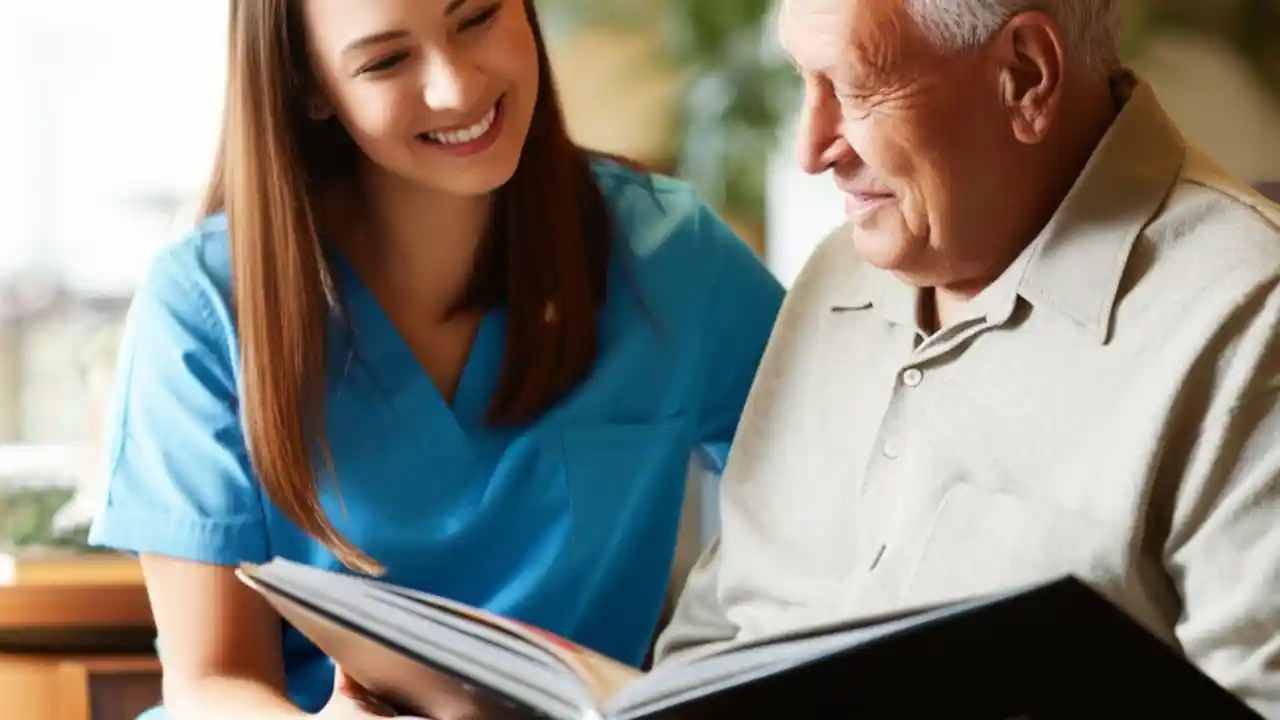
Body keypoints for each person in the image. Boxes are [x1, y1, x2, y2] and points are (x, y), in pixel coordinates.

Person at [87, 0, 784, 717]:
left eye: (477, 16)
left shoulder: (672, 259)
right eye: (387, 60)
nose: (457, 88)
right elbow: (210, 681)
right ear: (310, 85)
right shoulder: (205, 304)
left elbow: (835, 493)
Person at [655, 0, 1280, 716]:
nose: (812, 148)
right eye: (803, 79)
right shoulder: (836, 277)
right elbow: (710, 642)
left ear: (1027, 76)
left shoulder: (1248, 320)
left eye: (854, 88)